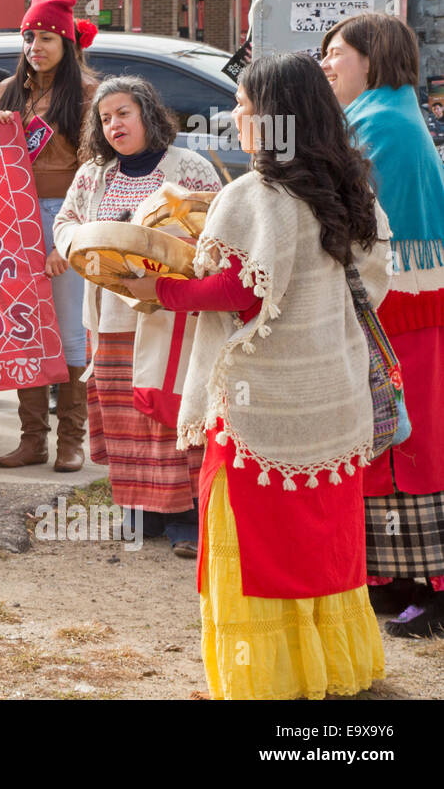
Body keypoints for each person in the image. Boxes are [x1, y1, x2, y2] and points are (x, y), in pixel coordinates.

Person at [127, 51, 391, 699]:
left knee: (253, 551)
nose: (234, 117)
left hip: (262, 410)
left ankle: (266, 682)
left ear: (275, 118)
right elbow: (346, 273)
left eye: (244, 107)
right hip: (328, 399)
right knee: (321, 546)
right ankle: (330, 671)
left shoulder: (258, 194)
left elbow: (240, 289)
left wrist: (159, 291)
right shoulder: (344, 186)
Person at [53, 76, 221, 557]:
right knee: (123, 410)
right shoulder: (93, 175)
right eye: (105, 119)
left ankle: (186, 516)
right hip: (110, 317)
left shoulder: (187, 168)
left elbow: (215, 227)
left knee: (168, 408)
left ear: (147, 113)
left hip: (171, 316)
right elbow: (66, 221)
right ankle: (139, 512)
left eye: (123, 113)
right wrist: (76, 244)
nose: (114, 125)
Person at [320, 12, 444, 637]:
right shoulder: (384, 115)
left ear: (372, 58)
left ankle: (432, 588)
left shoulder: (380, 125)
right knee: (392, 437)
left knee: (409, 442)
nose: (326, 64)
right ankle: (399, 579)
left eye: (336, 52)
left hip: (403, 308)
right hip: (401, 304)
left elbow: (353, 222)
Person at [0, 0, 98, 472]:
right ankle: (31, 438)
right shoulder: (9, 92)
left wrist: (64, 236)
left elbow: (93, 169)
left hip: (65, 214)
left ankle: (71, 440)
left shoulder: (90, 94)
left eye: (46, 38)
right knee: (25, 330)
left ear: (67, 44)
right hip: (13, 215)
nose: (35, 46)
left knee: (69, 330)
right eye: (29, 36)